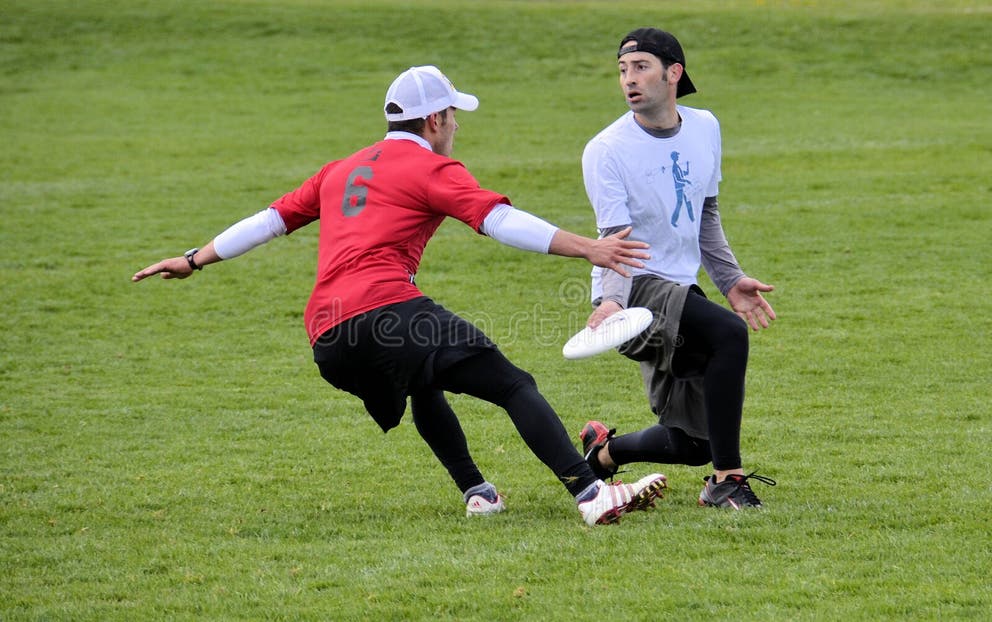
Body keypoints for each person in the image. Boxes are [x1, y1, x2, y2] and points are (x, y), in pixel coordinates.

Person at [132, 65, 667, 526]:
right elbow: (498, 220)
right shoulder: (431, 167)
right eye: (453, 116)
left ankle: (478, 494)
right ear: (434, 121)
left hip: (326, 334)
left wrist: (194, 258)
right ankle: (590, 492)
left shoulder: (339, 169)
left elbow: (269, 221)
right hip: (384, 310)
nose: (456, 125)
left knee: (423, 381)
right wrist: (586, 248)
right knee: (511, 383)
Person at [578, 29, 778, 509]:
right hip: (633, 288)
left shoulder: (706, 126)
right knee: (729, 334)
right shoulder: (605, 149)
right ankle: (726, 482)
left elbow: (705, 215)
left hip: (680, 290)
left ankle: (603, 453)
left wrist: (730, 280)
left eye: (642, 67)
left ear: (674, 73)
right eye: (623, 70)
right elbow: (615, 242)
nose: (629, 79)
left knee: (696, 442)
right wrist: (610, 302)